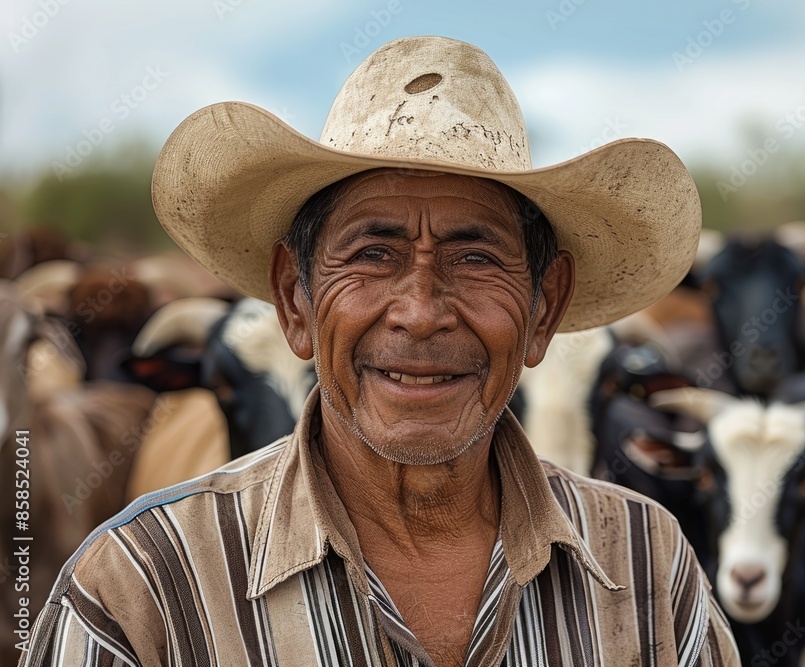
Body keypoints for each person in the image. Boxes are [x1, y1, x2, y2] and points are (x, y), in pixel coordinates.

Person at [20, 36, 738, 666]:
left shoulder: (647, 567)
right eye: (373, 252)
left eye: (476, 257)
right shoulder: (142, 591)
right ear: (295, 301)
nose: (421, 313)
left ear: (543, 309)